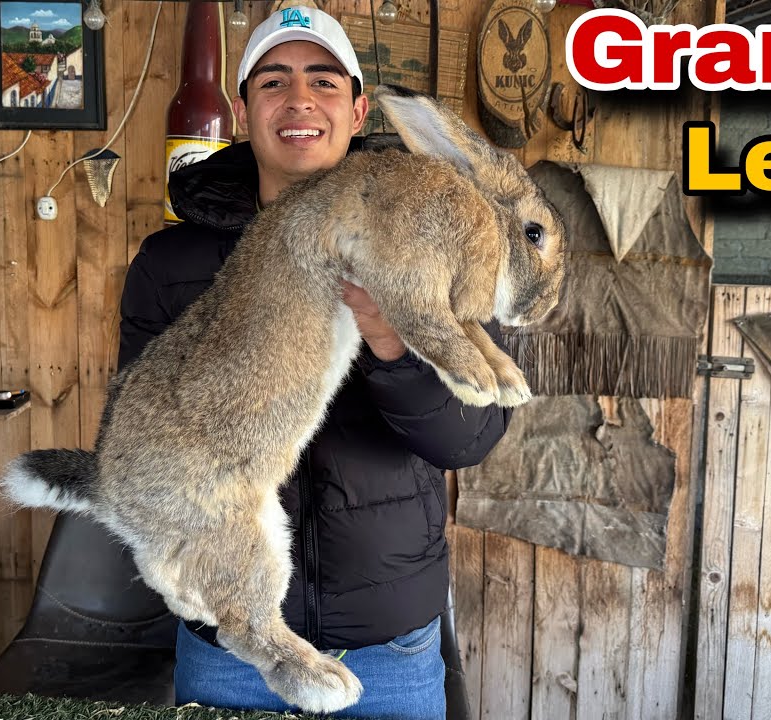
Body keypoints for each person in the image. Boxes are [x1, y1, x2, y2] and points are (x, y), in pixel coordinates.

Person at [117, 8, 511, 719]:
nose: (299, 99)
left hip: (387, 647)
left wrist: (393, 339)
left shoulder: (427, 240)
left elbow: (470, 438)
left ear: (357, 110)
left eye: (323, 81)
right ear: (244, 110)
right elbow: (135, 445)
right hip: (229, 649)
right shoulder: (170, 264)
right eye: (273, 81)